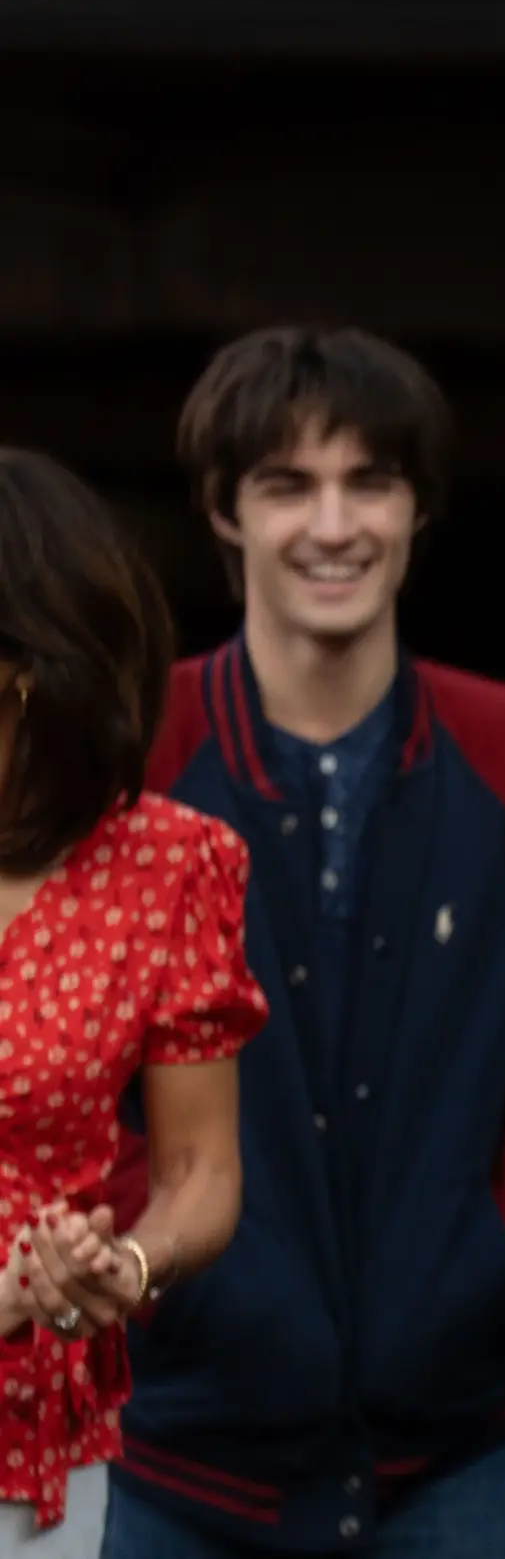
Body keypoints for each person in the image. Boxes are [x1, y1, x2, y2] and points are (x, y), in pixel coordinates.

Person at [106, 328, 505, 1557]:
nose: (332, 525)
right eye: (288, 485)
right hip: (175, 1450)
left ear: (418, 508)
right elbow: (62, 1070)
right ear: (223, 510)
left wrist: (491, 1270)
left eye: (370, 483)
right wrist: (178, 1283)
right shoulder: (133, 752)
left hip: (462, 1446)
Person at [0, 451, 267, 1555]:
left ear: (25, 669)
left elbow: (200, 1168)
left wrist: (127, 1266)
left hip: (29, 1444)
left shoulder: (167, 865)